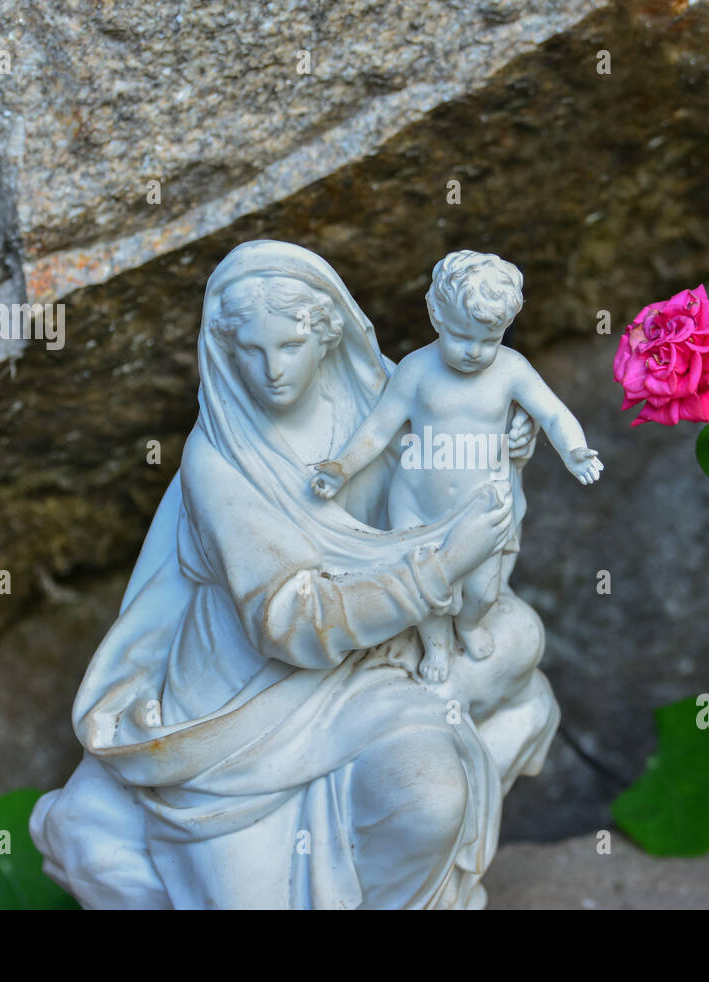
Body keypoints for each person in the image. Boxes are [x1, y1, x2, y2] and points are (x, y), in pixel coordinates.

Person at [30, 240, 560, 909]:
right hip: (245, 706)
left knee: (429, 797)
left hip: (371, 673)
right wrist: (437, 570)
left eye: (289, 345)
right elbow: (288, 621)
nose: (271, 370)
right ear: (226, 348)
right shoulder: (220, 460)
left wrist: (504, 455)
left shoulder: (387, 398)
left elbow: (449, 499)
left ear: (327, 330)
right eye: (250, 350)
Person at [311, 250, 601, 684]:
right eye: (462, 338)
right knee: (427, 589)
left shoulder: (510, 370)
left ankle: (467, 625)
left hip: (483, 507)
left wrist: (573, 449)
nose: (474, 352)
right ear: (436, 316)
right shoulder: (416, 370)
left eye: (489, 341)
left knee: (483, 591)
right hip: (416, 505)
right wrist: (342, 469)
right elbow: (377, 430)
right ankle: (437, 645)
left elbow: (553, 413)